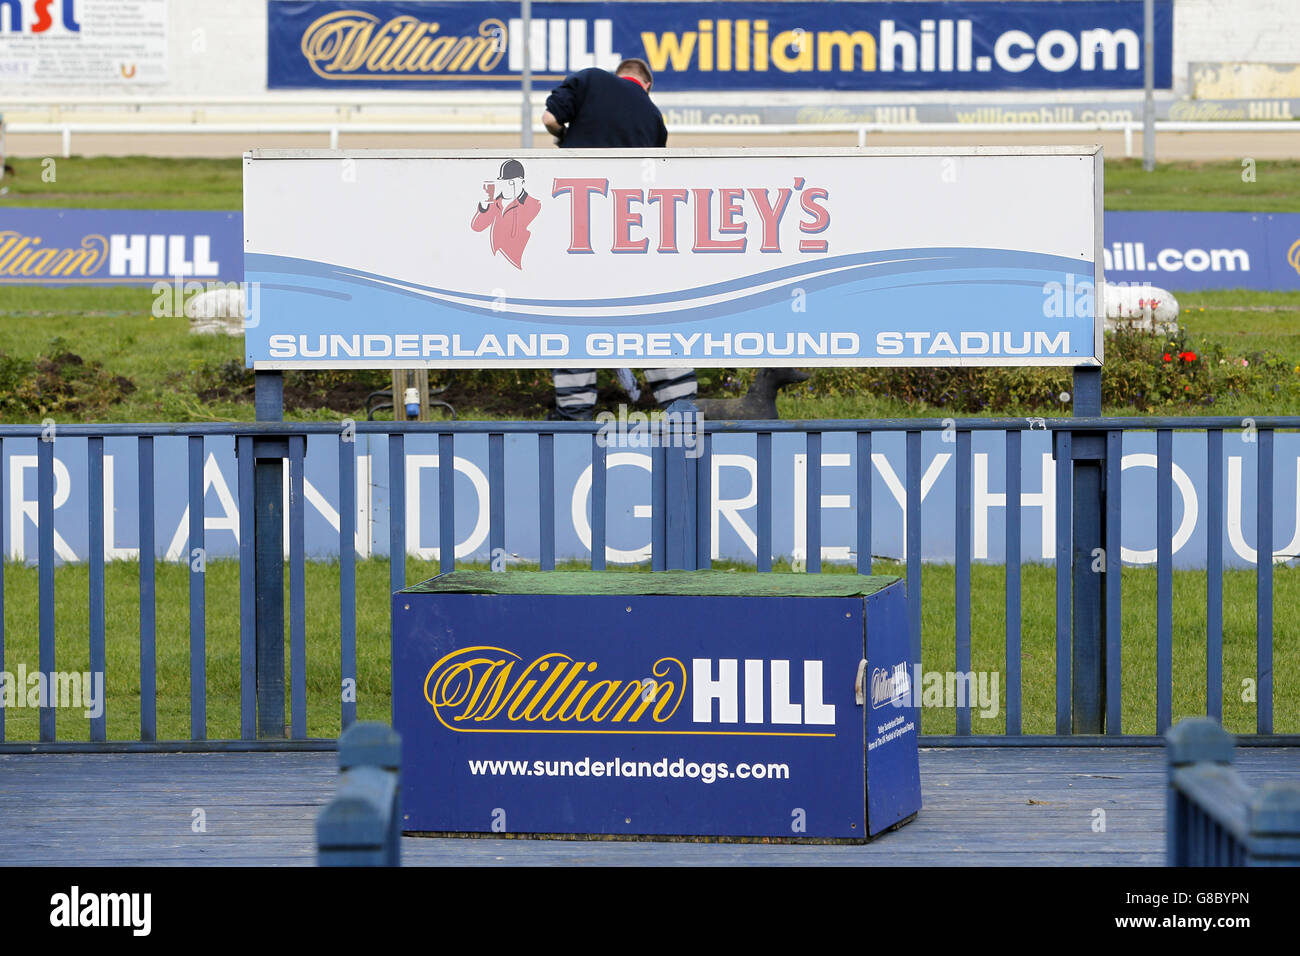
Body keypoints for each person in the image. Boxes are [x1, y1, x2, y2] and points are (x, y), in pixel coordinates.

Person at [541, 58, 695, 420]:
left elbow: (549, 119)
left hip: (579, 222)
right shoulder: (655, 118)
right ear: (648, 85)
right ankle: (680, 402)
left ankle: (575, 411)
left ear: (618, 75)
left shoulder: (591, 80)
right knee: (645, 315)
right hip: (630, 231)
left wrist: (568, 140)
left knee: (576, 313)